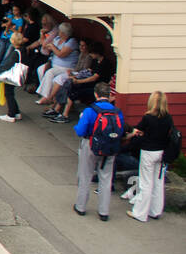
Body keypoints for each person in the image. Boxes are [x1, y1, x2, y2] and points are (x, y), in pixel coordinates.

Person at [73, 83, 124, 221]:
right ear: (109, 95)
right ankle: (103, 211)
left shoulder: (90, 111)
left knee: (85, 175)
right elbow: (121, 130)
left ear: (96, 94)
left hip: (90, 145)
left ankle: (81, 206)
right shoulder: (117, 112)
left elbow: (80, 130)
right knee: (106, 178)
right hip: (110, 148)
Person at [125, 91, 176, 222]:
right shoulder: (168, 118)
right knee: (158, 181)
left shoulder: (148, 117)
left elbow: (138, 130)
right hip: (162, 153)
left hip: (149, 152)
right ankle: (155, 210)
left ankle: (140, 213)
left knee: (146, 183)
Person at [0, 31, 27, 122]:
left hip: (11, 76)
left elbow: (8, 64)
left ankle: (11, 115)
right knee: (11, 93)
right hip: (18, 75)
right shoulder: (23, 50)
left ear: (13, 41)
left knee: (8, 94)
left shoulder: (15, 53)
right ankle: (16, 112)